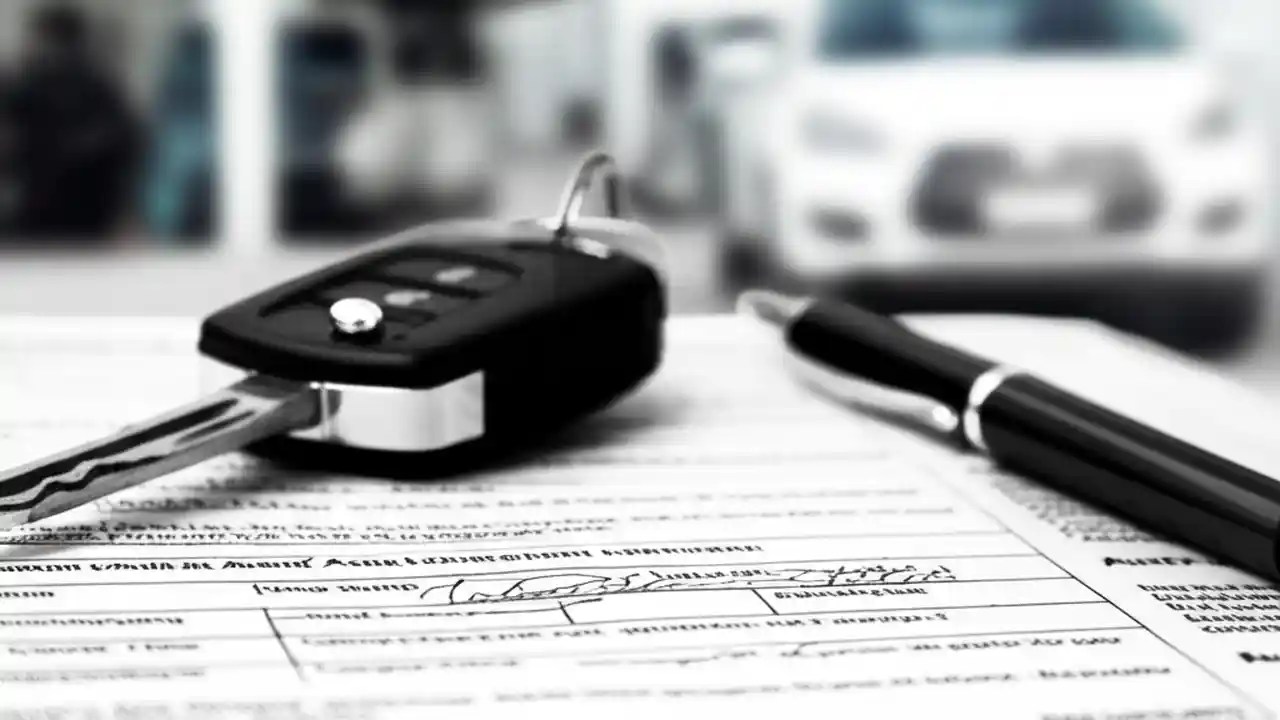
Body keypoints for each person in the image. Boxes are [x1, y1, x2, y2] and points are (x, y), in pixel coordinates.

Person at [8, 6, 139, 240]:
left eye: (40, 40)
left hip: (61, 204)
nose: (34, 46)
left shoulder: (80, 85)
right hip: (69, 205)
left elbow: (114, 139)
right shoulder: (32, 82)